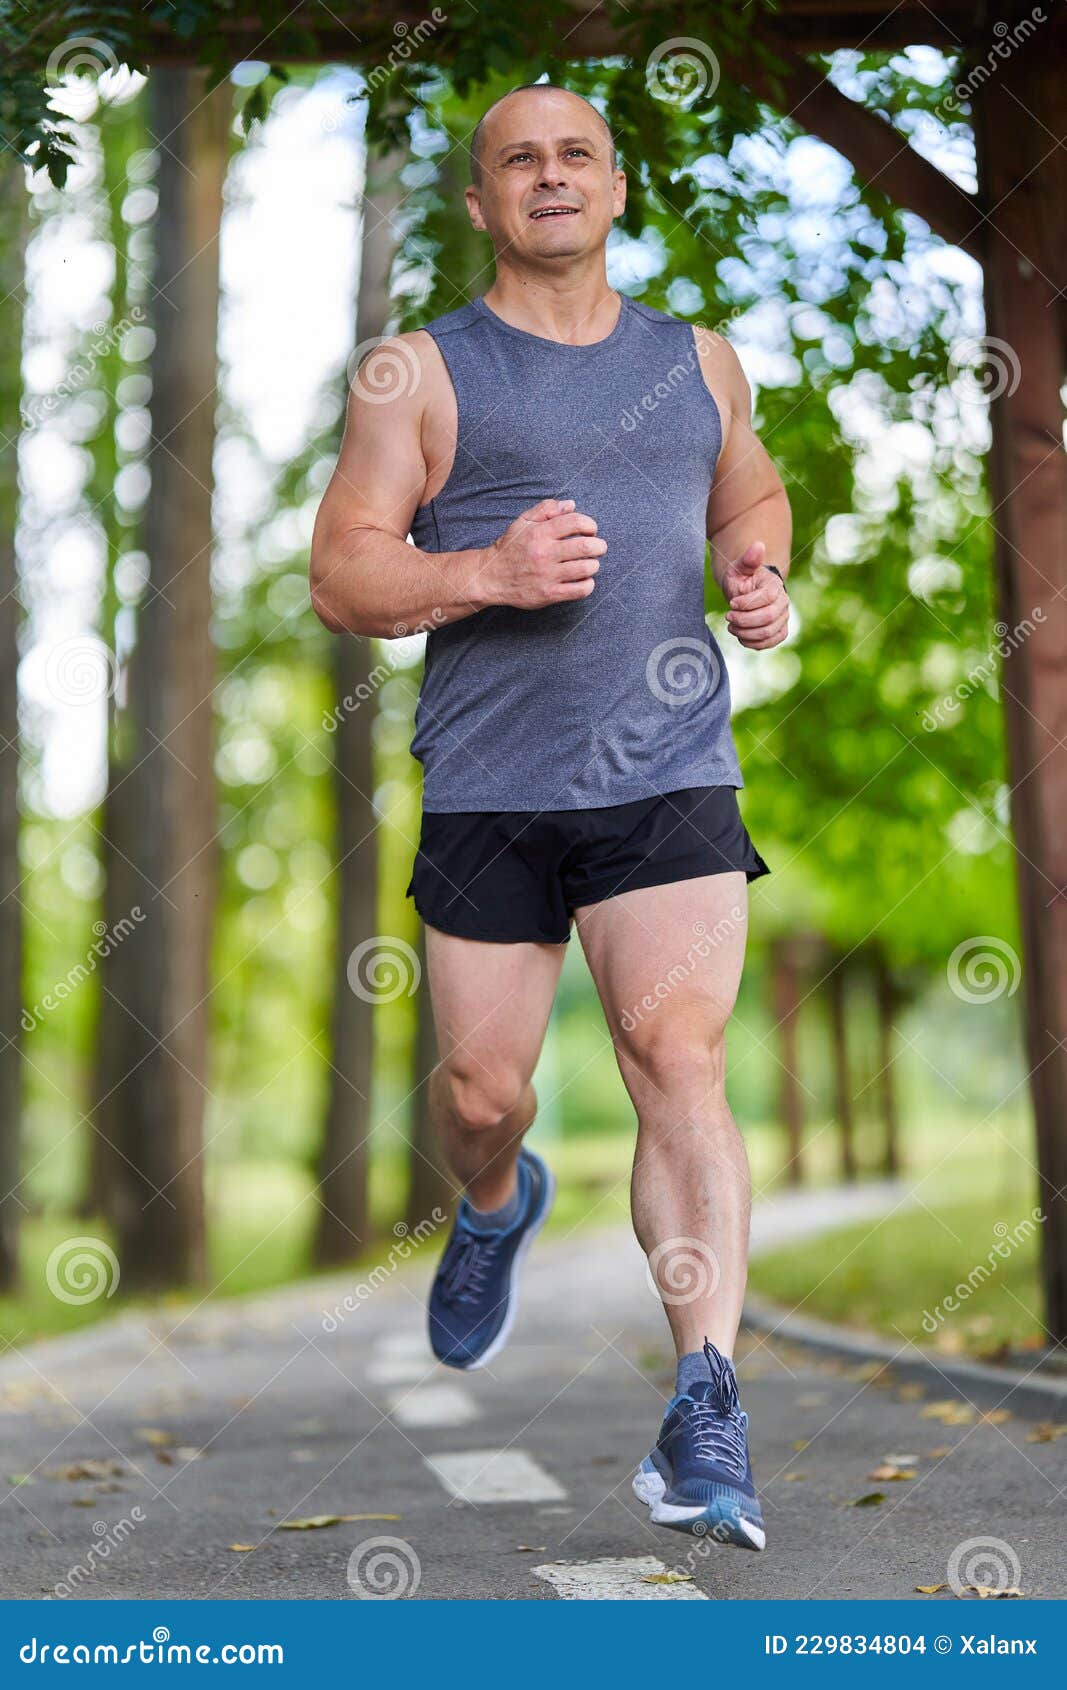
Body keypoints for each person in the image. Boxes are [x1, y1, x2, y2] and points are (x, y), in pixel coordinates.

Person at [310, 81, 791, 1552]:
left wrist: (758, 574)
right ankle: (495, 1198)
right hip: (493, 785)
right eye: (518, 159)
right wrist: (487, 575)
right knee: (479, 1094)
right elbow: (343, 575)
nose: (551, 175)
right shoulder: (417, 374)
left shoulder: (700, 360)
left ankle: (707, 1399)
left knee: (678, 1054)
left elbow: (746, 496)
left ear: (618, 189)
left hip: (668, 775)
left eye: (577, 152)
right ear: (480, 205)